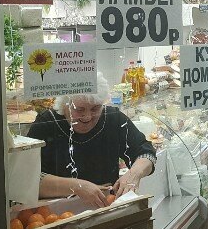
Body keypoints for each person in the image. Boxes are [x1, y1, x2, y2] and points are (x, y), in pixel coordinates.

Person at [27, 81, 157, 208]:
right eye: (79, 109)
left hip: (106, 209)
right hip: (54, 214)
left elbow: (145, 152)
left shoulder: (112, 118)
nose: (87, 117)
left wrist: (134, 174)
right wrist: (77, 187)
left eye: (95, 108)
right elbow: (27, 178)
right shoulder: (47, 123)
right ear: (64, 105)